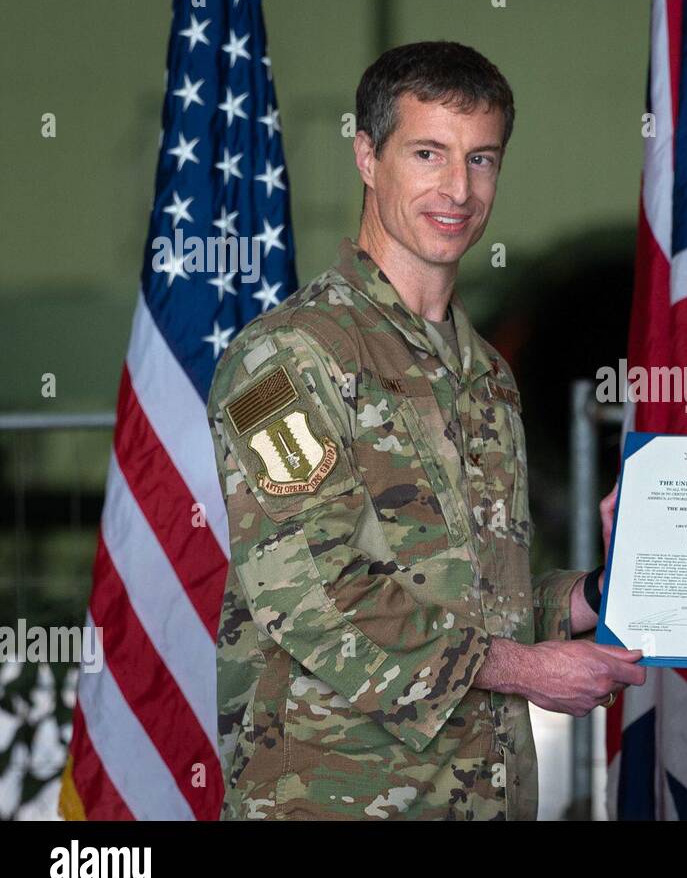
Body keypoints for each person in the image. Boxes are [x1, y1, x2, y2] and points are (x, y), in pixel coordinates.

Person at [206, 41, 642, 820]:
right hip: (336, 797)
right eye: (429, 153)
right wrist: (527, 671)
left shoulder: (487, 374)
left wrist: (602, 592)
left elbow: (479, 604)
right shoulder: (285, 358)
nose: (458, 189)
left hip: (483, 796)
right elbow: (314, 595)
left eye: (481, 159)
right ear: (368, 157)